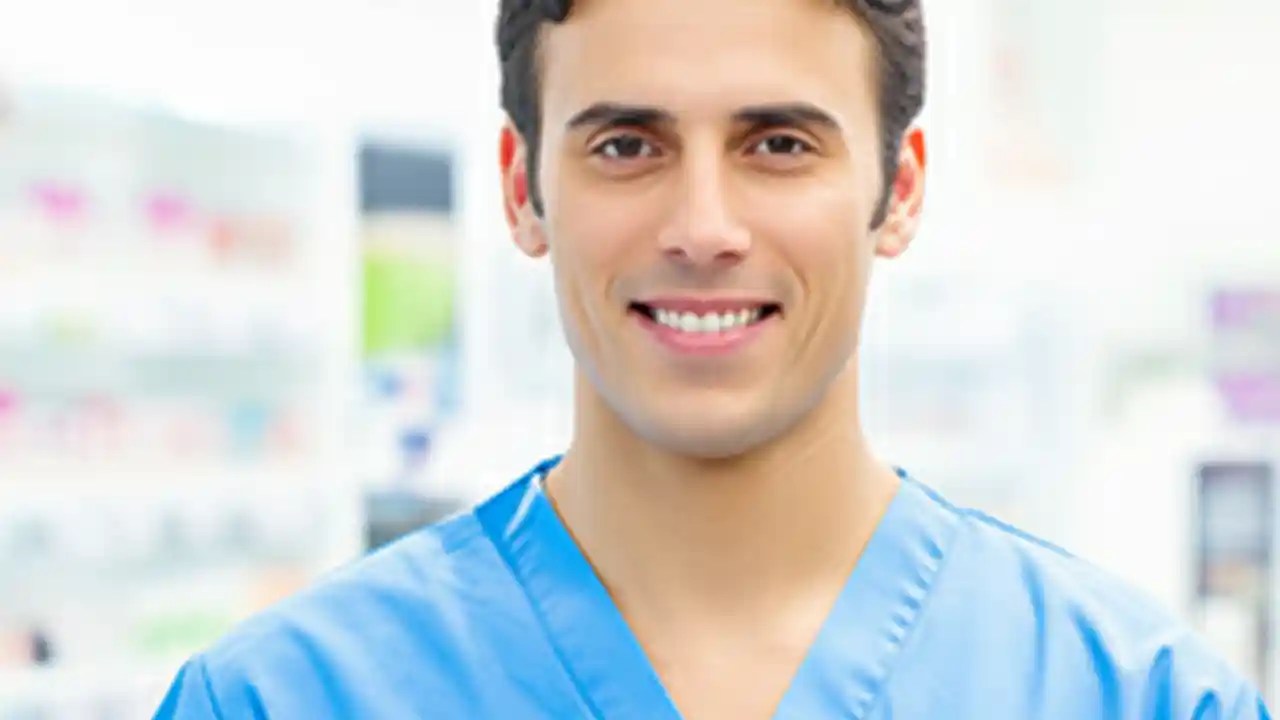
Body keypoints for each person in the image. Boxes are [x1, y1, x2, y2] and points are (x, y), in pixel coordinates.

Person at [154, 0, 1272, 717]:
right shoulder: (286, 697)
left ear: (899, 191)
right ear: (521, 189)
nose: (702, 227)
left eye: (777, 144)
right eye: (626, 145)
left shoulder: (1135, 696)